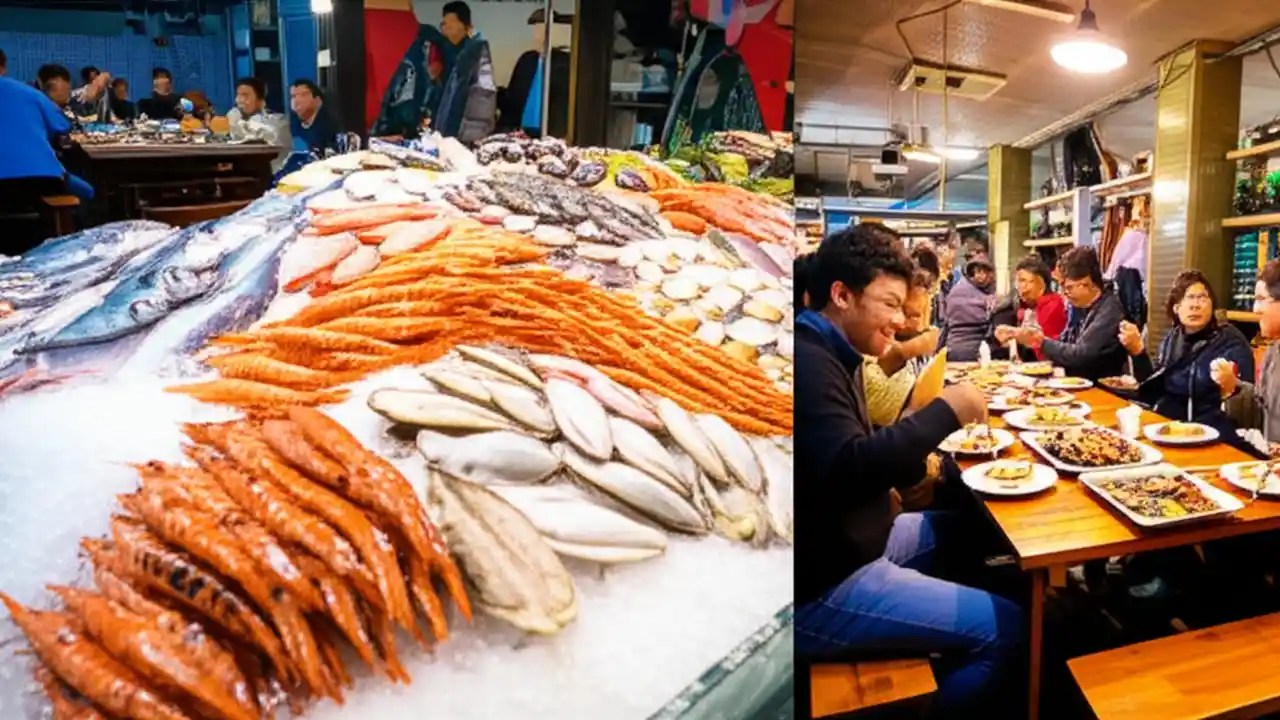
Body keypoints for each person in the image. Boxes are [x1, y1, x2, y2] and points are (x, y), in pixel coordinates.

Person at [795, 223, 1021, 717]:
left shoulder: (834, 350)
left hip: (859, 540)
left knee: (976, 533)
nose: (901, 320)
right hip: (824, 581)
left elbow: (846, 452)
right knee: (1008, 630)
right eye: (891, 304)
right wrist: (947, 410)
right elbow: (849, 467)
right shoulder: (808, 362)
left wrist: (909, 468)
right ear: (841, 294)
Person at [1117, 270, 1253, 435]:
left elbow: (1249, 406)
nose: (1196, 305)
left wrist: (1231, 386)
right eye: (1189, 298)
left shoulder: (1230, 341)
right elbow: (1153, 392)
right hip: (1170, 429)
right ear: (1176, 308)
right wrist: (1138, 351)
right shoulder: (1172, 339)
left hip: (1213, 435)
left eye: (1202, 298)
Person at [0, 74, 93, 249]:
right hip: (41, 178)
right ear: (3, 67)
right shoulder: (29, 93)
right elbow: (62, 126)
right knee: (85, 195)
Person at [1014, 246, 1128, 380]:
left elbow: (1082, 355)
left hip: (1102, 393)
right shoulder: (1079, 306)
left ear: (1086, 283)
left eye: (1068, 288)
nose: (1064, 294)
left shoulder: (1110, 310)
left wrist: (1041, 342)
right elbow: (1065, 342)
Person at [864, 269, 941, 427]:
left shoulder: (921, 336)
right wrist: (913, 347)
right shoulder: (874, 342)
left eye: (925, 314)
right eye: (911, 315)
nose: (919, 325)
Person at [992, 256, 1069, 361]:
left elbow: (1044, 349)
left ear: (1041, 284)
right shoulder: (1024, 305)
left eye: (1024, 281)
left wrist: (1014, 334)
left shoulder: (1053, 305)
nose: (1020, 287)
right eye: (1018, 282)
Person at [227, 77, 292, 173]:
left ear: (260, 102)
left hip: (274, 175)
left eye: (245, 96)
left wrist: (239, 123)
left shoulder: (277, 121)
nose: (239, 100)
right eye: (238, 95)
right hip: (244, 174)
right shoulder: (235, 119)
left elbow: (269, 136)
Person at [938, 255, 996, 362]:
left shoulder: (985, 294)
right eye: (978, 272)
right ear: (972, 273)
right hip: (974, 350)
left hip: (954, 348)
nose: (981, 276)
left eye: (985, 272)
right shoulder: (961, 290)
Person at [288, 79, 337, 155]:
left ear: (317, 100)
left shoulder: (331, 120)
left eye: (303, 95)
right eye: (293, 96)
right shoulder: (294, 117)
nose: (296, 101)